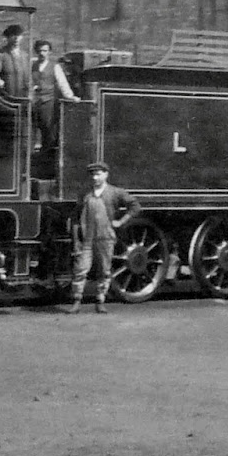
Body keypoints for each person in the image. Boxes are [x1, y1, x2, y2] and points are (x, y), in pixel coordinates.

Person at [66, 161, 141, 315]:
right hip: (87, 238)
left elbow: (135, 206)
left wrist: (121, 221)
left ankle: (100, 301)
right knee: (80, 270)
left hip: (106, 237)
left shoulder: (115, 192)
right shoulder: (85, 193)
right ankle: (76, 301)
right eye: (93, 175)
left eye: (98, 174)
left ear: (106, 174)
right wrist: (76, 238)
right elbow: (75, 216)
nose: (95, 178)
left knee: (104, 270)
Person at [30, 39, 79, 150]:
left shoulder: (55, 67)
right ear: (36, 52)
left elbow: (62, 83)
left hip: (48, 103)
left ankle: (47, 155)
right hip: (33, 103)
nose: (42, 53)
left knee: (48, 129)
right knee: (31, 129)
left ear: (49, 52)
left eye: (45, 51)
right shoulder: (32, 66)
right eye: (40, 51)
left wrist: (70, 96)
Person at [0, 24, 31, 99]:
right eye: (13, 35)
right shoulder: (1, 55)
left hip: (22, 95)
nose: (16, 38)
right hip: (7, 96)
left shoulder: (25, 55)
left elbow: (28, 77)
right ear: (8, 38)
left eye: (19, 35)